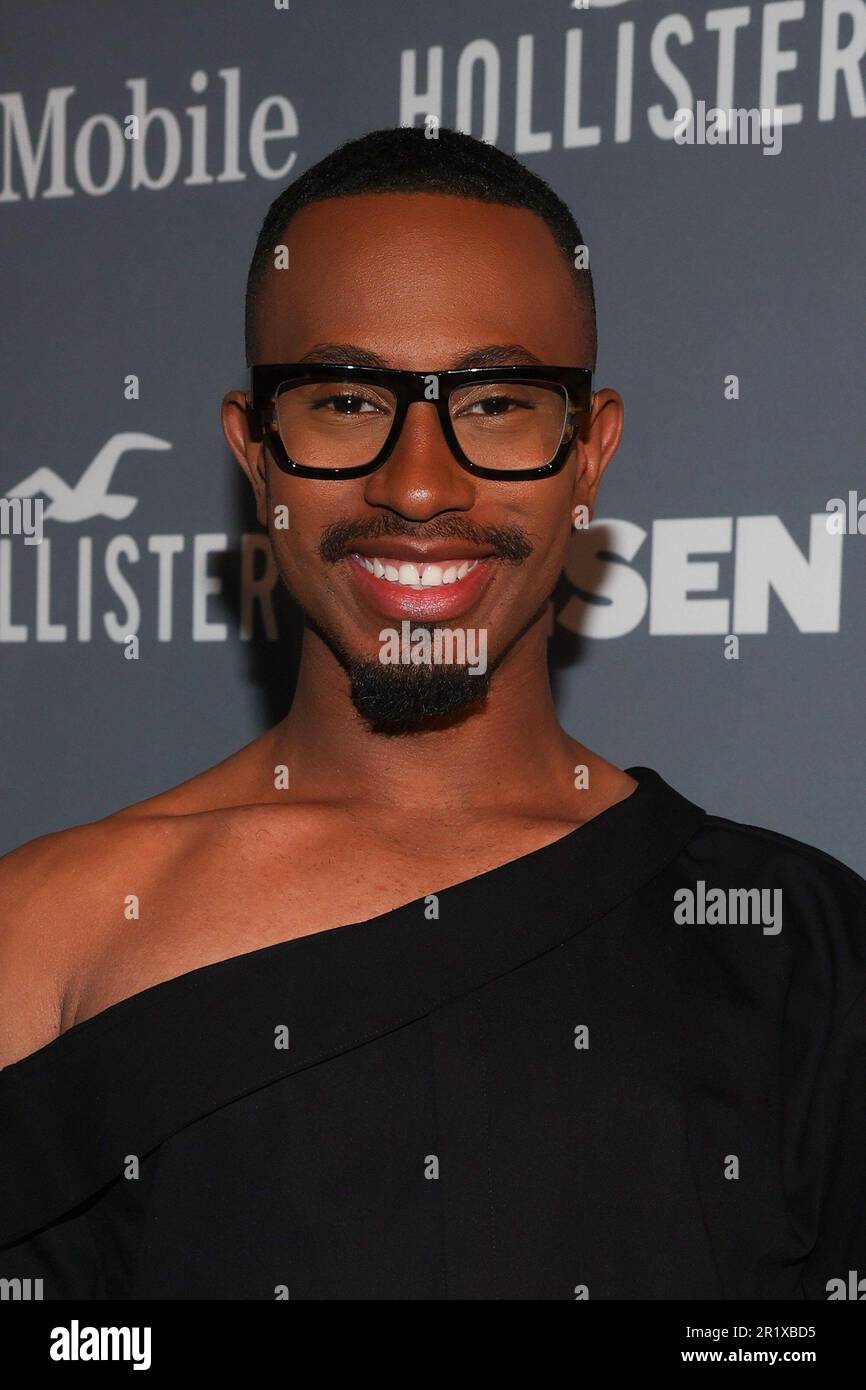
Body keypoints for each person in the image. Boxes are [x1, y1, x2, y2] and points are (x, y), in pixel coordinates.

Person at [0, 127, 863, 1301]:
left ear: (588, 454)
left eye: (496, 403)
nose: (416, 485)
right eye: (345, 400)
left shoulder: (796, 948)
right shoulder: (46, 933)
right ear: (254, 453)